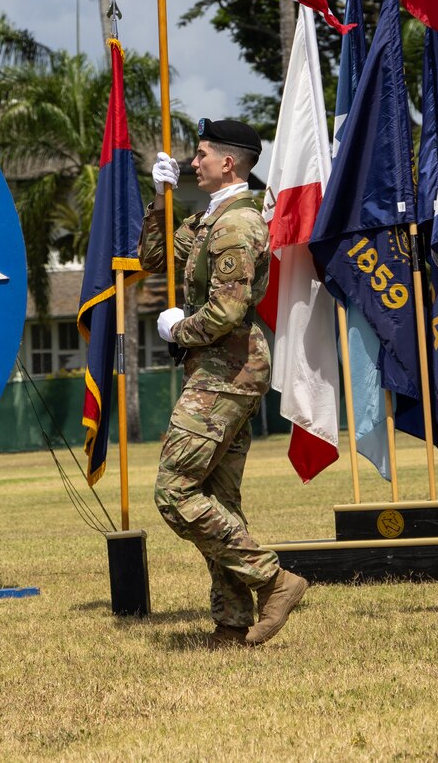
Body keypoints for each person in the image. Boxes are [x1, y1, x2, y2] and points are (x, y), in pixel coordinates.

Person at [142, 119, 307, 649]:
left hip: (227, 370)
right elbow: (153, 260)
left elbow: (228, 310)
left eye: (202, 154)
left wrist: (178, 328)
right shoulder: (210, 218)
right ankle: (231, 622)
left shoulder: (236, 226)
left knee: (174, 492)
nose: (195, 162)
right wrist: (159, 198)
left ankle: (274, 579)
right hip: (215, 369)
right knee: (217, 498)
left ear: (228, 162)